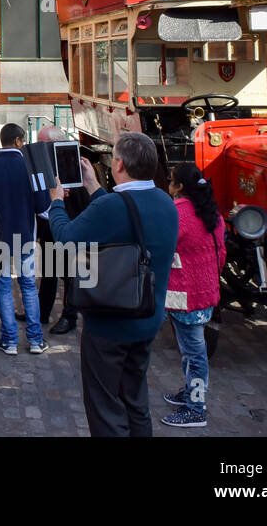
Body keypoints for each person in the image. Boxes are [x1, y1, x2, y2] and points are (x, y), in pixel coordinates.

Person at [46, 132, 179, 437]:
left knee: (105, 407)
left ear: (118, 163)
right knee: (135, 400)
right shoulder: (165, 202)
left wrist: (56, 202)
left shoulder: (111, 208)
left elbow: (65, 239)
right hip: (147, 318)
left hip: (110, 323)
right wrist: (94, 186)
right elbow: (128, 214)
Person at [0, 123, 47, 356]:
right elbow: (43, 205)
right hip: (25, 236)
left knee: (3, 288)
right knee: (28, 286)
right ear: (18, 141)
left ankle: (10, 340)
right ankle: (35, 339)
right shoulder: (32, 168)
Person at [161, 162, 226, 429]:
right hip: (206, 292)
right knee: (191, 350)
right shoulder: (211, 213)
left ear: (178, 187)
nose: (168, 183)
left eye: (171, 179)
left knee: (195, 353)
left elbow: (162, 247)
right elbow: (220, 253)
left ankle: (196, 408)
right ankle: (190, 392)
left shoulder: (177, 213)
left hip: (184, 296)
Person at [35, 125, 89, 336]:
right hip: (49, 225)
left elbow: (82, 200)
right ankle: (42, 311)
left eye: (43, 144)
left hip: (68, 224)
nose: (41, 148)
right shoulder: (43, 163)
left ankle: (70, 315)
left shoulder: (71, 163)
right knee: (48, 271)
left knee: (69, 274)